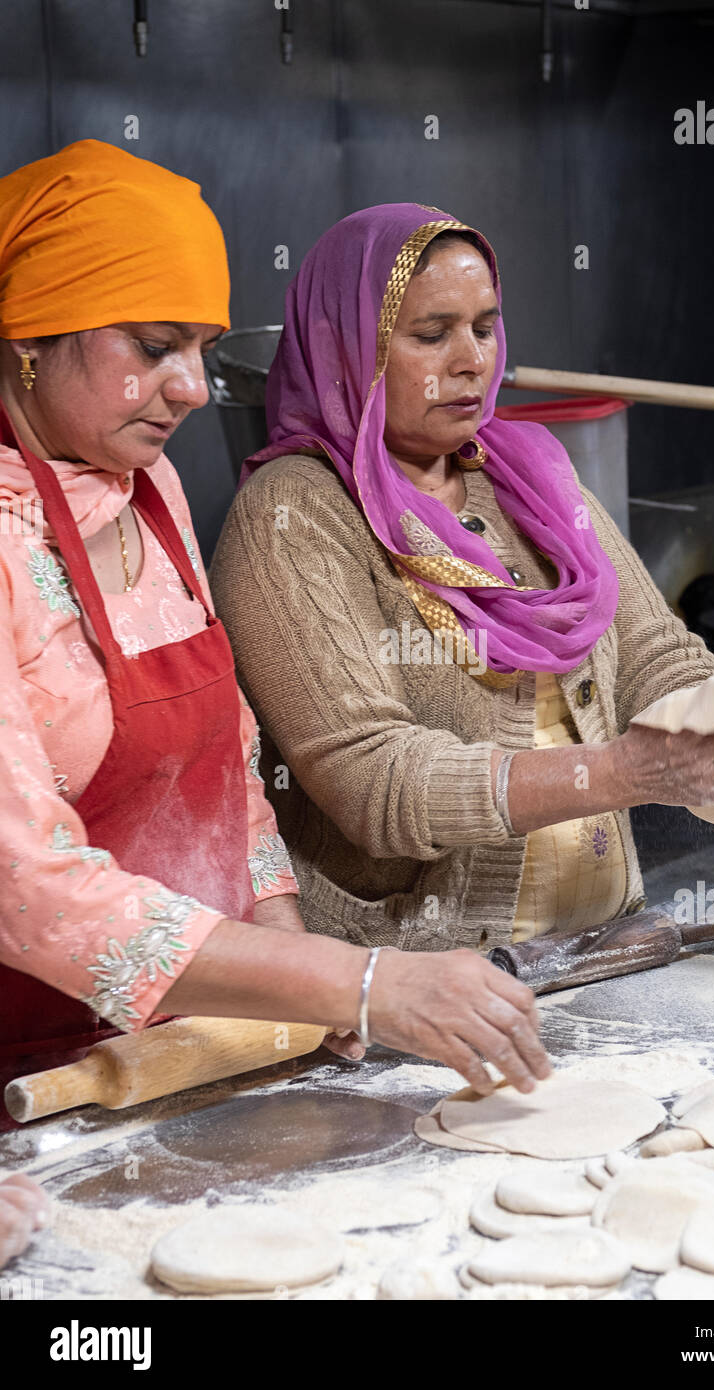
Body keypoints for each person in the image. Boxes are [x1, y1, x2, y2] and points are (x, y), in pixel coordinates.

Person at [0, 148, 548, 1137]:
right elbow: (26, 888)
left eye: (203, 348)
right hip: (33, 1088)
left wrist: (282, 952)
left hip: (188, 1059)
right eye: (157, 346)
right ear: (31, 338)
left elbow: (225, 771)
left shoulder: (150, 488)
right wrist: (357, 978)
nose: (195, 388)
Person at [210, 204, 714, 953]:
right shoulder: (293, 515)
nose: (472, 359)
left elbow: (655, 658)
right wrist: (622, 774)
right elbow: (372, 779)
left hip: (600, 953)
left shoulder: (533, 481)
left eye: (485, 327)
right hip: (416, 994)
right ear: (345, 347)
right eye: (432, 334)